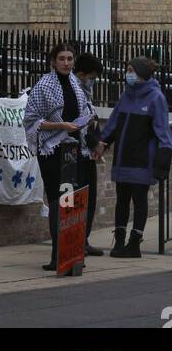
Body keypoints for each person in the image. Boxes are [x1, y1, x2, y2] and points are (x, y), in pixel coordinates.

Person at [93, 56, 172, 258]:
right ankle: (119, 241)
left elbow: (163, 133)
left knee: (139, 200)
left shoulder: (156, 98)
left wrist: (162, 163)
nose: (127, 73)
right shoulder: (126, 95)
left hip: (142, 159)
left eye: (130, 70)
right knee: (121, 200)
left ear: (141, 74)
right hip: (122, 157)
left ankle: (134, 243)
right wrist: (102, 142)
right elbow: (113, 122)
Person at [24, 42, 91, 271]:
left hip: (73, 149)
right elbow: (32, 121)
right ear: (53, 61)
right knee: (58, 200)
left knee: (73, 200)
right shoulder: (44, 85)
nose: (66, 63)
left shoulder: (76, 84)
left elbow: (83, 110)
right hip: (52, 150)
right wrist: (60, 125)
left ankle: (73, 253)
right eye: (61, 58)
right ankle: (57, 255)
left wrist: (85, 122)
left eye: (70, 58)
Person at [74, 52, 104, 255]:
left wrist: (98, 142)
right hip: (76, 153)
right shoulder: (73, 91)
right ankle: (75, 241)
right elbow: (78, 122)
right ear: (81, 74)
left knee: (90, 198)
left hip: (88, 153)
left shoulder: (86, 93)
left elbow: (92, 118)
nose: (92, 82)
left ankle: (83, 240)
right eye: (91, 77)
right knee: (77, 199)